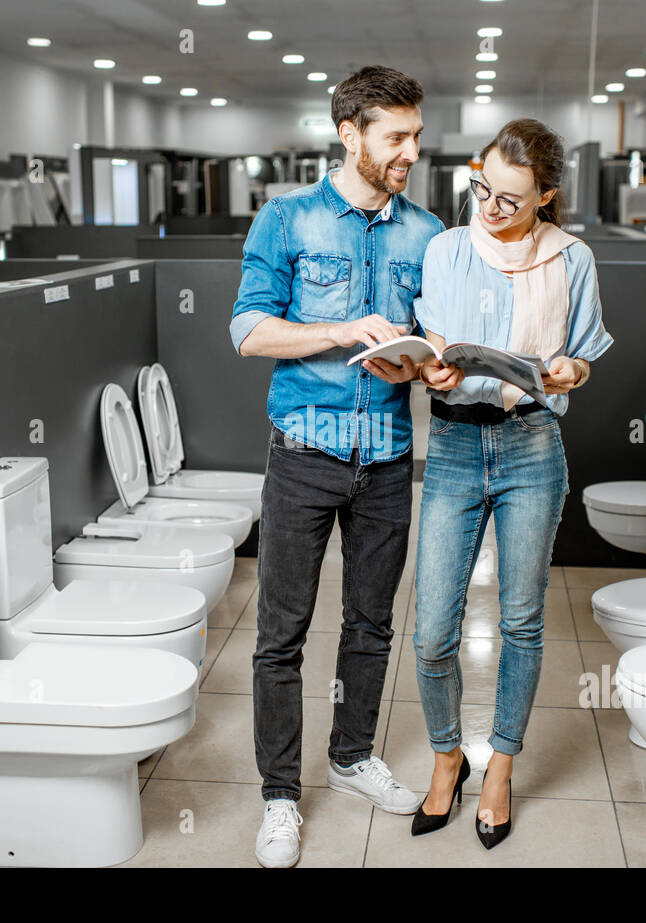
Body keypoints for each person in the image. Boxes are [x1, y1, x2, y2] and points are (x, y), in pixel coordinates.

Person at [229, 65, 444, 868]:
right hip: (302, 457)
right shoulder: (285, 220)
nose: (411, 151)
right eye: (396, 136)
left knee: (372, 623)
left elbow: (432, 347)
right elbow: (248, 329)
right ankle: (280, 796)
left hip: (388, 461)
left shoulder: (427, 233)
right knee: (280, 636)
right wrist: (339, 330)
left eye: (416, 136)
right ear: (350, 134)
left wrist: (421, 364)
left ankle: (352, 757)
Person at [409, 118, 613, 849]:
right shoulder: (444, 248)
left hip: (532, 447)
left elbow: (584, 356)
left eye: (511, 201)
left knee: (522, 621)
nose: (490, 209)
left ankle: (499, 769)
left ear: (546, 197)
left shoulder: (573, 259)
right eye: (482, 189)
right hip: (456, 446)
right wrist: (430, 364)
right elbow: (433, 341)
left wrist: (569, 371)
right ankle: (446, 758)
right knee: (433, 630)